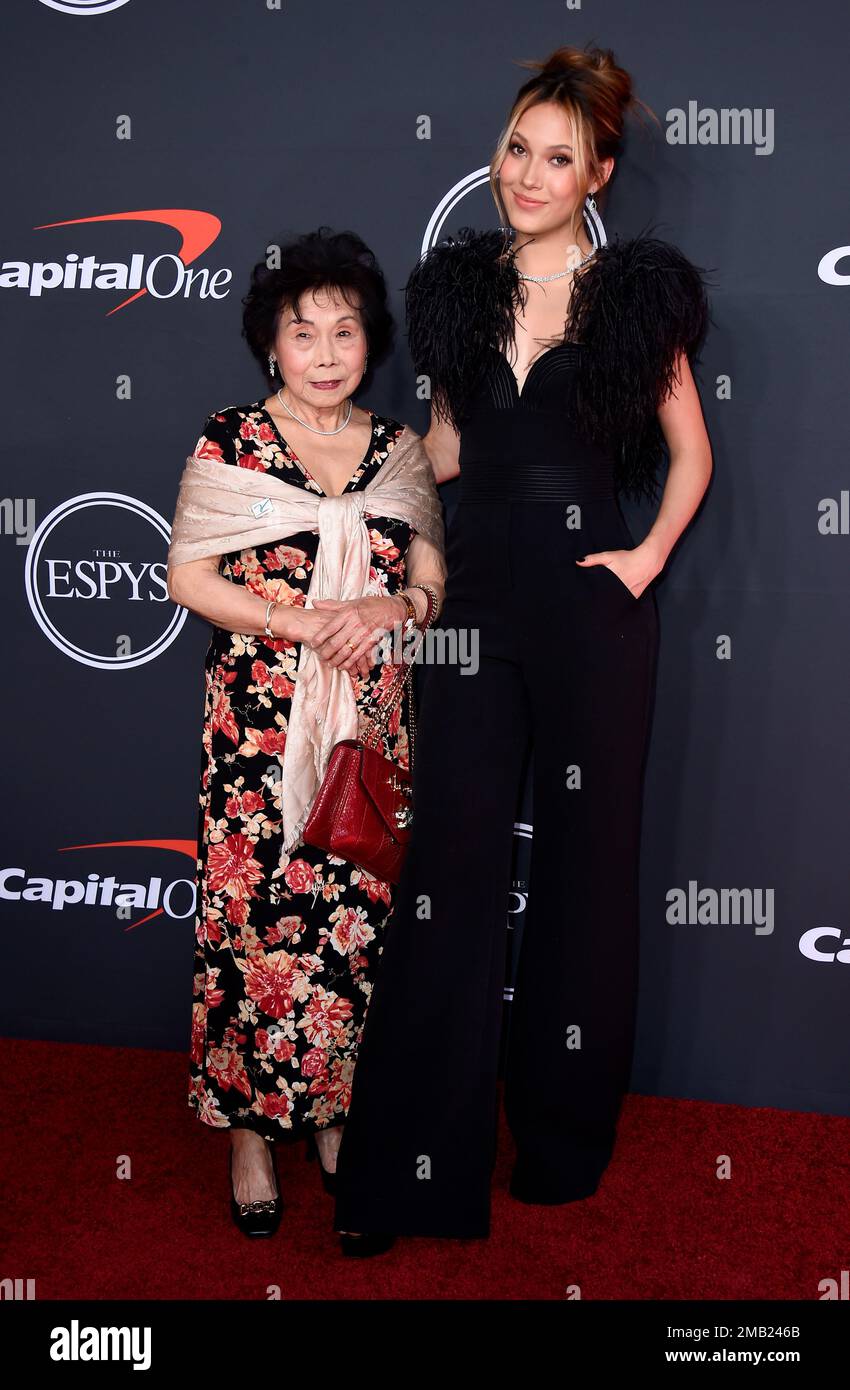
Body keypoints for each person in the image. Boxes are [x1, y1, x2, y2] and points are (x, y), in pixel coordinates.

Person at [333, 43, 713, 1246]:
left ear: (598, 172)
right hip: (477, 607)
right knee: (447, 871)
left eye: (558, 157)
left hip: (592, 609)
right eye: (515, 149)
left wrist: (643, 560)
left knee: (587, 876)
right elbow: (442, 453)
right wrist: (341, 483)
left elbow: (690, 453)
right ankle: (411, 1163)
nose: (528, 174)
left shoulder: (632, 296)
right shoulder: (453, 290)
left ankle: (559, 1147)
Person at [166, 227, 446, 1247]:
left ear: (369, 341)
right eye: (303, 334)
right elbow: (187, 576)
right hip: (256, 731)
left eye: (345, 331)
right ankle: (248, 1131)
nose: (326, 352)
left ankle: (330, 1112)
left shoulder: (397, 449)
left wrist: (397, 608)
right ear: (270, 345)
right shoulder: (231, 439)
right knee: (254, 924)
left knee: (349, 923)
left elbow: (430, 576)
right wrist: (294, 622)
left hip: (366, 730)